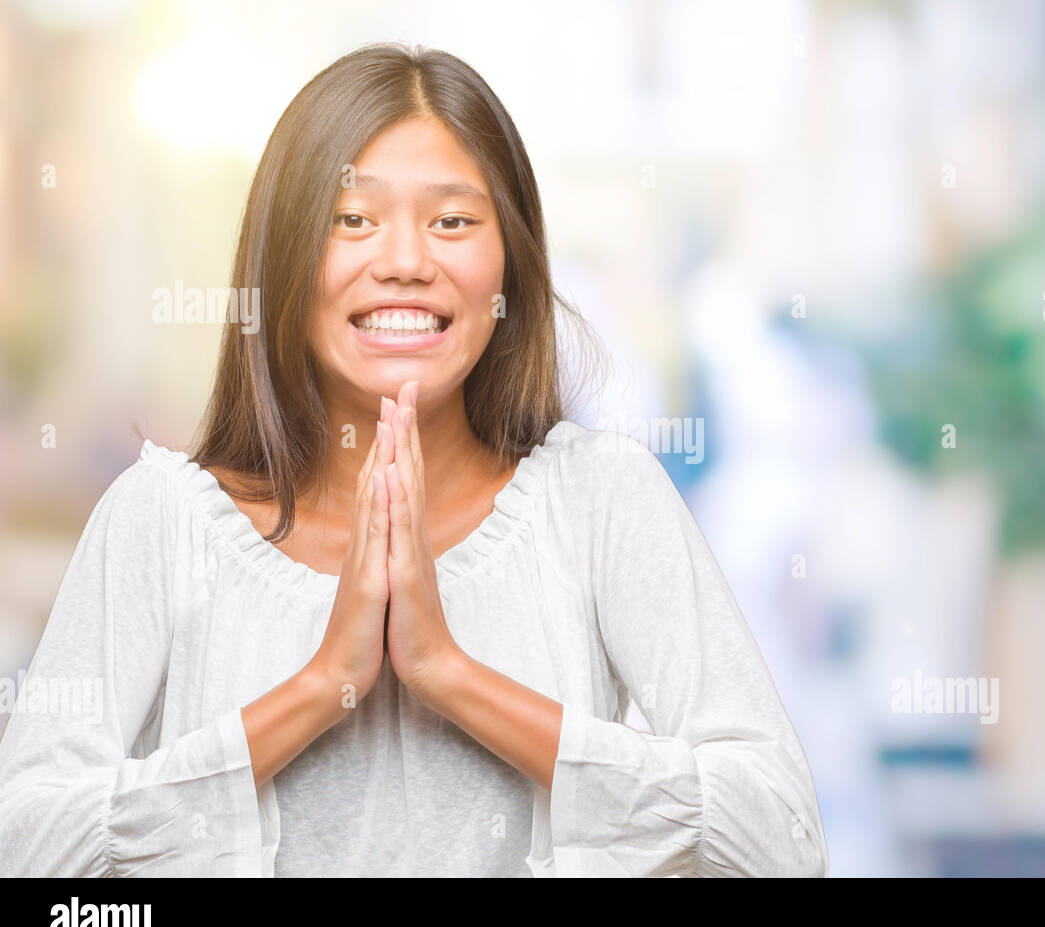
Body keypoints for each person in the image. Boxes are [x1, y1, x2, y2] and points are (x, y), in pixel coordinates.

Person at [0, 42, 828, 877]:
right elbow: (29, 848)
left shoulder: (602, 501)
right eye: (352, 219)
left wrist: (451, 673)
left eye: (454, 221)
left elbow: (782, 842)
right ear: (282, 255)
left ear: (510, 263)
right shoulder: (161, 521)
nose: (404, 262)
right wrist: (322, 686)